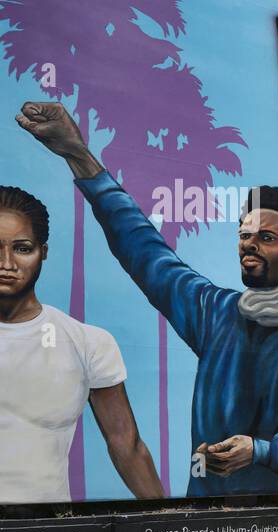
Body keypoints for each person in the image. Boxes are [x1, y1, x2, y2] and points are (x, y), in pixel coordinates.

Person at [18, 101, 278, 497]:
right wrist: (79, 156)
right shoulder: (217, 313)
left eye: (267, 238)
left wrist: (260, 452)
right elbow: (145, 249)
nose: (249, 245)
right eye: (244, 234)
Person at [0, 184, 163, 503]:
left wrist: (171, 527)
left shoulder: (88, 343)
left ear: (42, 252)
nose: (6, 263)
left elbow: (126, 447)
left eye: (21, 248)